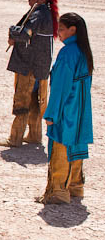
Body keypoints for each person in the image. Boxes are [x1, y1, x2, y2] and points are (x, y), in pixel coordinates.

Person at [37, 13, 93, 204]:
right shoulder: (83, 51)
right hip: (80, 111)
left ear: (72, 30)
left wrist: (52, 113)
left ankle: (58, 192)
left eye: (61, 29)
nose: (58, 33)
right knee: (76, 145)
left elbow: (60, 87)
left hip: (66, 110)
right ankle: (75, 188)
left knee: (61, 145)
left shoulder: (67, 53)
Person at [0, 0, 57, 147]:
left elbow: (25, 34)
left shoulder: (39, 14)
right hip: (40, 66)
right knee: (35, 100)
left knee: (23, 99)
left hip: (29, 65)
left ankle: (15, 137)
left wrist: (12, 33)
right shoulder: (45, 14)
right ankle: (34, 135)